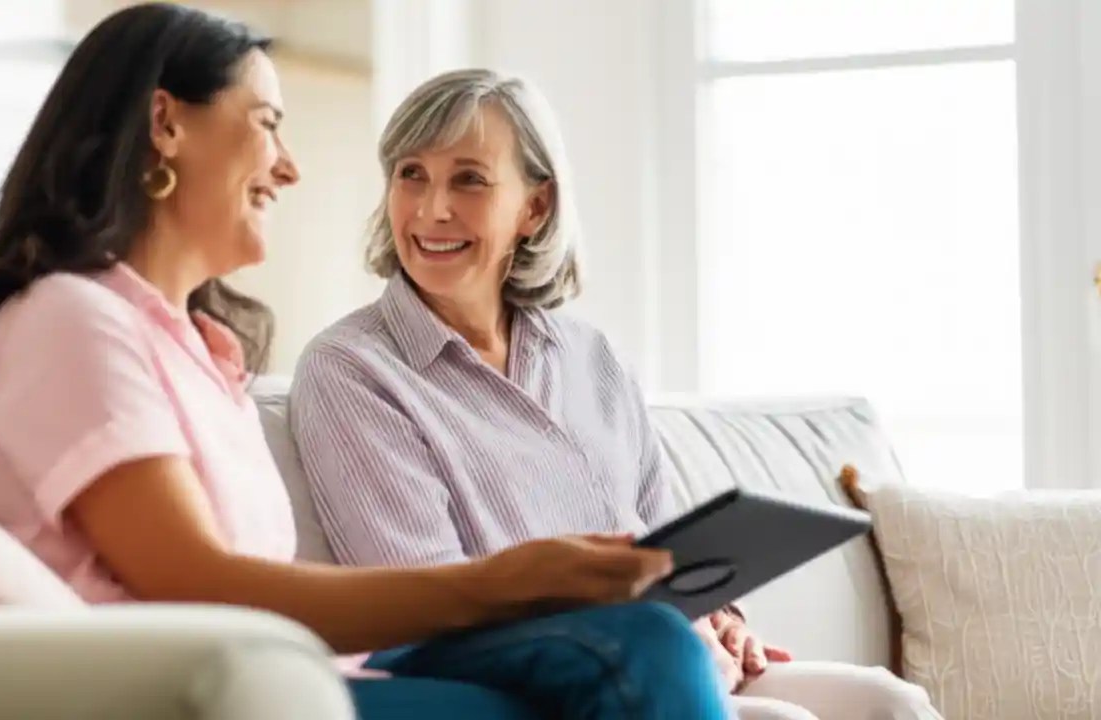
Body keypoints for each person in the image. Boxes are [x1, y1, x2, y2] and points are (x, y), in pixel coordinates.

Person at [0, 5, 732, 719]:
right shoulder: (67, 320)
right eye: (267, 123)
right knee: (630, 652)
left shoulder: (193, 349)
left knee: (622, 657)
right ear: (166, 124)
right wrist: (515, 580)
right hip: (180, 689)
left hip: (295, 677)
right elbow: (199, 581)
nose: (290, 166)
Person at [290, 68, 945, 720]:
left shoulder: (590, 356)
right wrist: (648, 620)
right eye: (411, 174)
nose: (432, 209)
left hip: (663, 646)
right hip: (520, 665)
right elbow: (418, 594)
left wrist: (722, 618)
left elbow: (667, 544)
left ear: (535, 207)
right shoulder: (351, 369)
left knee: (891, 702)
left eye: (469, 179)